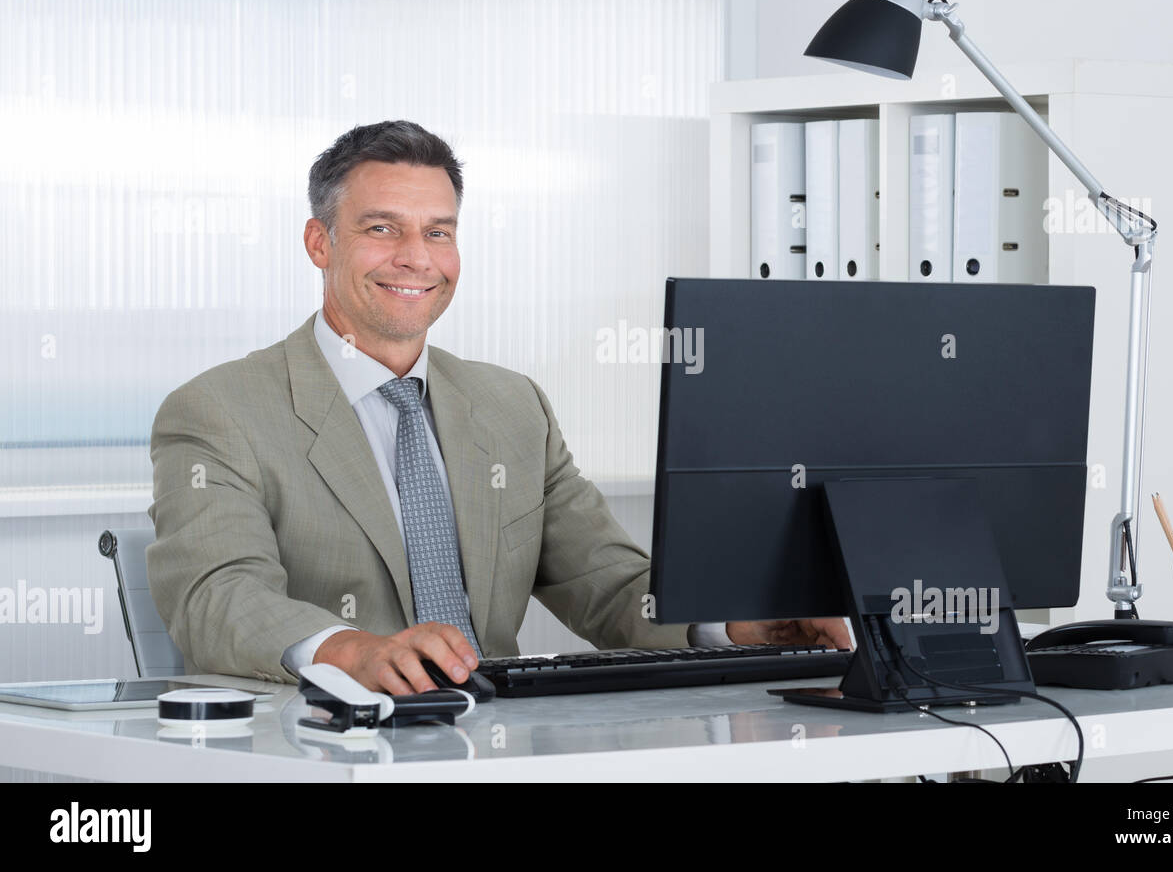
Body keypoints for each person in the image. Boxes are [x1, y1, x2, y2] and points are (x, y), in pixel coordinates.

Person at [148, 120, 849, 695]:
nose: (416, 258)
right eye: (382, 229)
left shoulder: (513, 406)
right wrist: (352, 652)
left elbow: (607, 583)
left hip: (496, 745)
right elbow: (216, 595)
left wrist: (734, 627)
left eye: (439, 231)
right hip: (329, 749)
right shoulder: (218, 411)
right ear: (318, 242)